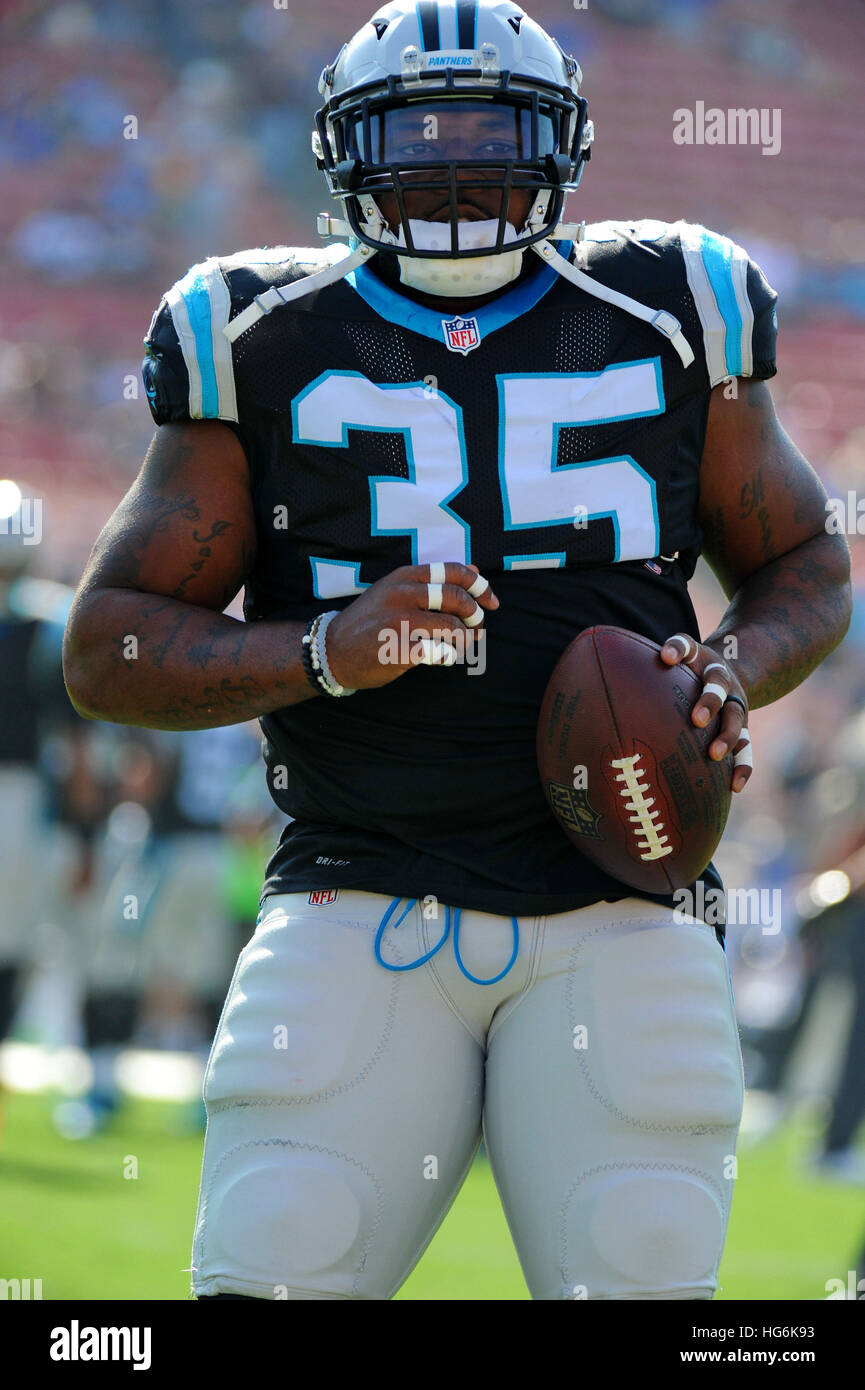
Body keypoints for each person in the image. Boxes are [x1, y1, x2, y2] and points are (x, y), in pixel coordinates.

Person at [63, 0, 851, 1300]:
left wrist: (729, 668)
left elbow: (806, 564)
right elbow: (108, 649)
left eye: (491, 141)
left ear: (562, 147)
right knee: (281, 1258)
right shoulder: (252, 328)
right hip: (359, 884)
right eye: (415, 143)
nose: (453, 177)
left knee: (640, 1271)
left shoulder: (674, 303)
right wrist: (328, 648)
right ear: (345, 155)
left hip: (624, 892)